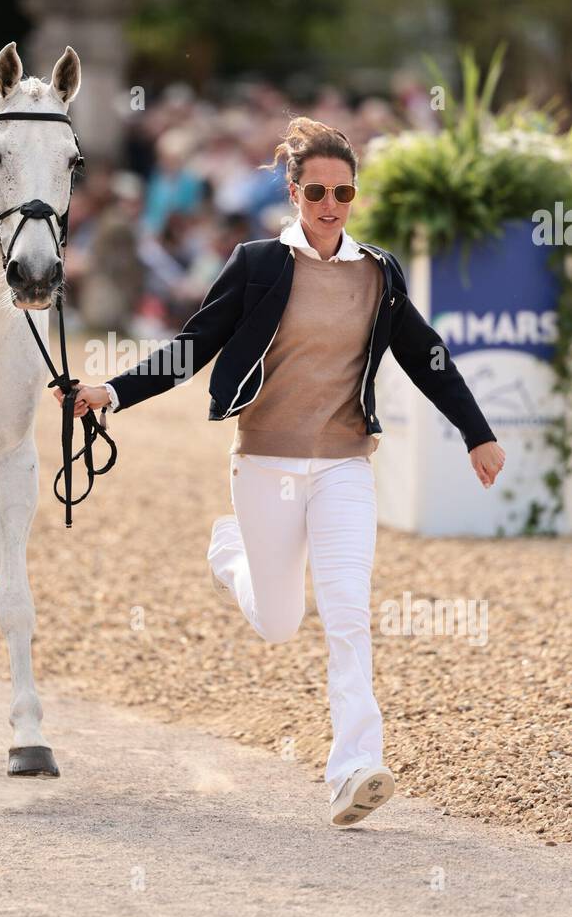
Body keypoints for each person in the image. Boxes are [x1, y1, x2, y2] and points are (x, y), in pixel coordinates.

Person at [52, 118, 505, 828]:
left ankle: (356, 767)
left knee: (348, 611)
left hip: (345, 466)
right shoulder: (260, 263)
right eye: (317, 190)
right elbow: (194, 344)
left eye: (344, 191)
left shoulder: (378, 273)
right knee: (277, 622)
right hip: (264, 462)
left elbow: (428, 355)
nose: (331, 204)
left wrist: (477, 434)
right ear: (294, 192)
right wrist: (110, 392)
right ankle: (229, 553)